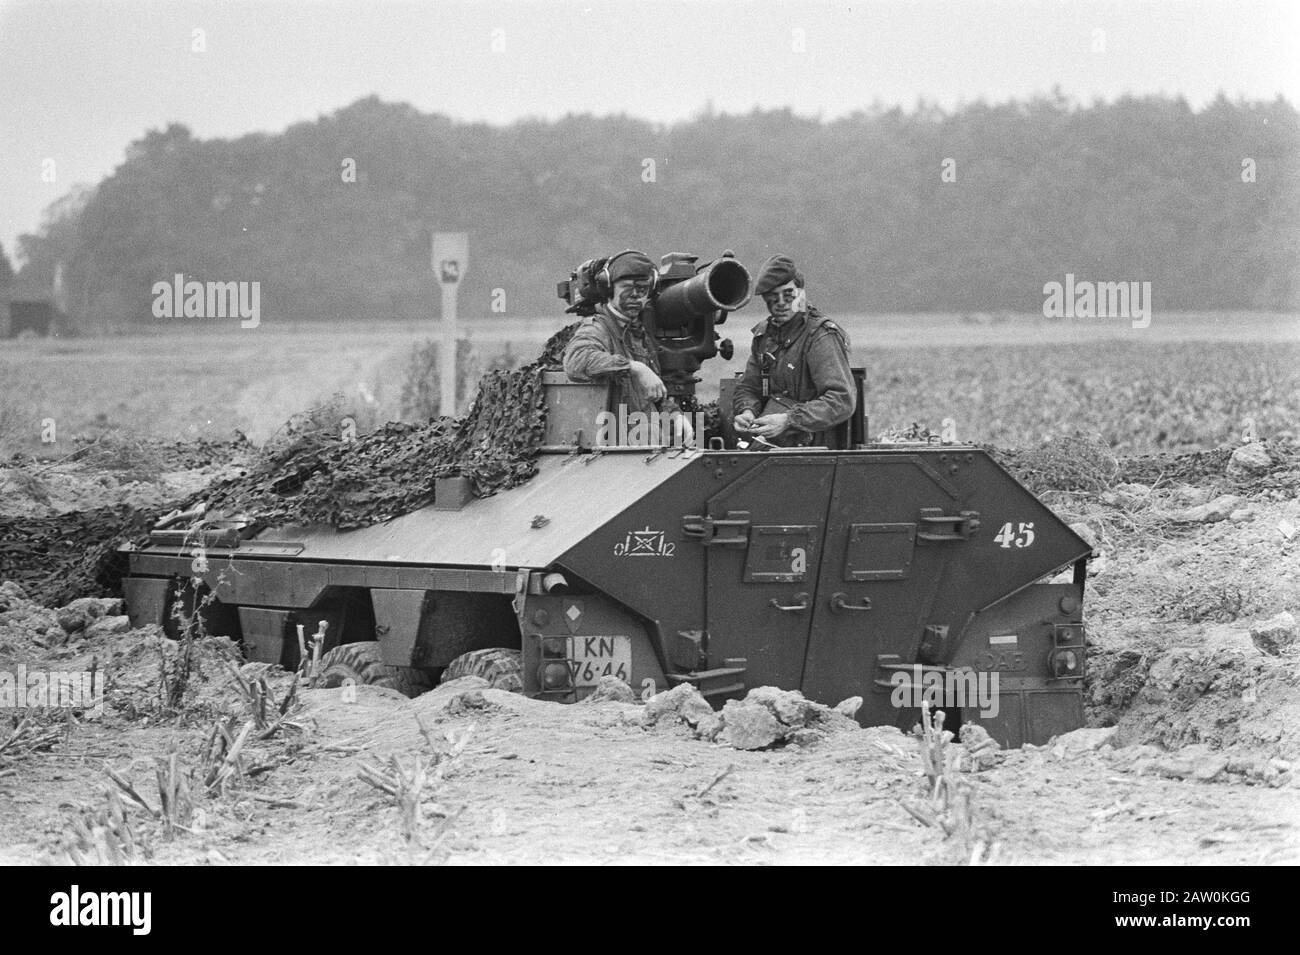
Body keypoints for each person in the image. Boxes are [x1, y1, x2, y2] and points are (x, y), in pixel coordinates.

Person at [732, 254, 855, 447]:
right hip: (772, 443)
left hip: (813, 448)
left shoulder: (820, 336)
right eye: (773, 298)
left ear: (801, 293)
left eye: (788, 295)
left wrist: (789, 420)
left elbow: (841, 400)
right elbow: (749, 387)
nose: (781, 303)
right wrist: (747, 412)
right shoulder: (765, 337)